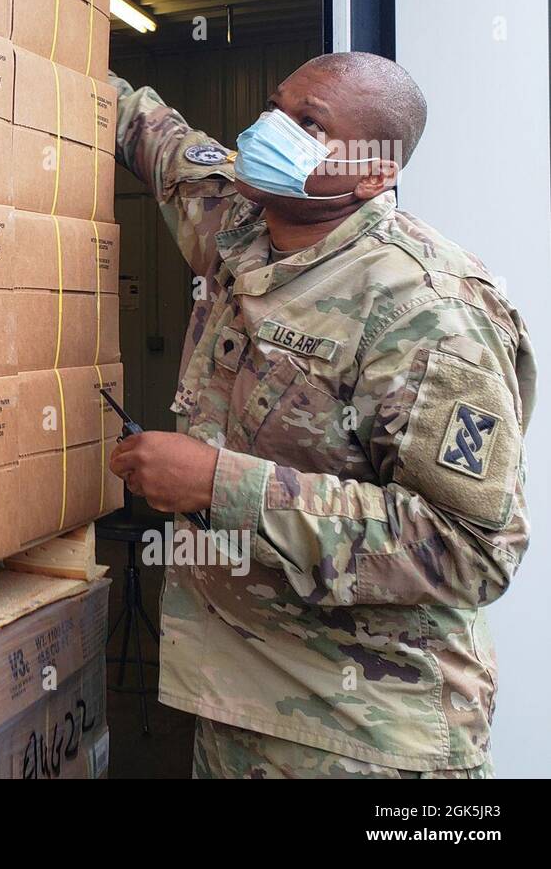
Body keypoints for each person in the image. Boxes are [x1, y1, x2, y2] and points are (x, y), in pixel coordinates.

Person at [108, 52, 535, 778]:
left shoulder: (427, 310)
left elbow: (472, 547)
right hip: (238, 704)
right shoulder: (240, 224)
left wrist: (220, 484)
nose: (273, 128)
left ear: (373, 174)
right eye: (277, 106)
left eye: (309, 124)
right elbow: (151, 131)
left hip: (365, 739)